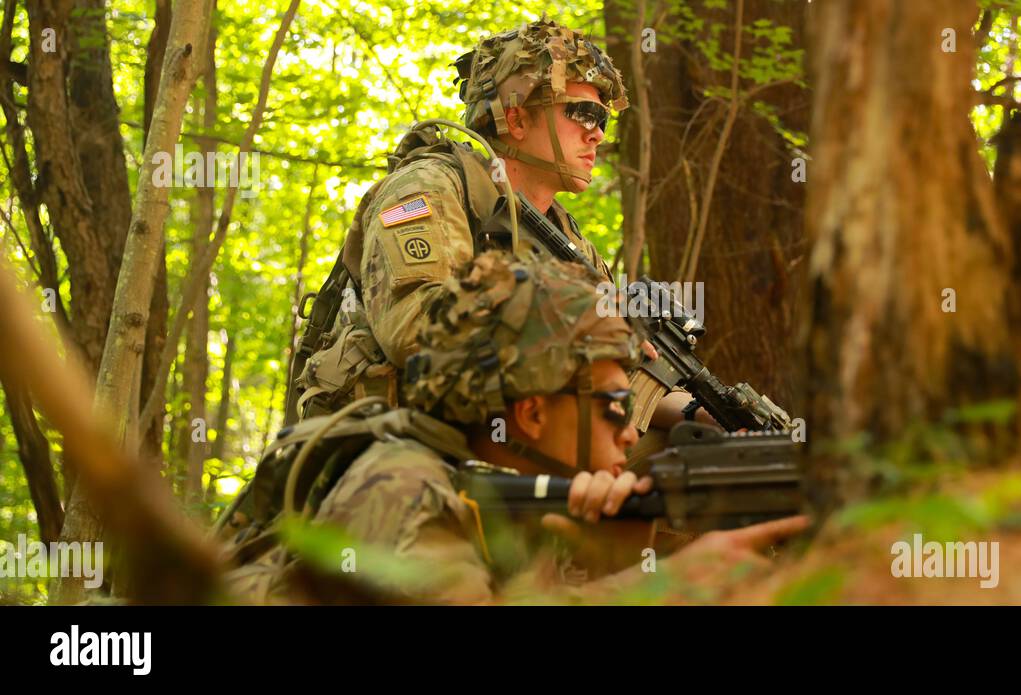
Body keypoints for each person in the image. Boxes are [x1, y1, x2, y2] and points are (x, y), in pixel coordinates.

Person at [224, 252, 807, 604]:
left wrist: (615, 560)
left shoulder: (505, 504)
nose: (631, 433)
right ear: (529, 413)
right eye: (612, 408)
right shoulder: (402, 486)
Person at [290, 18, 702, 432]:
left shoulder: (566, 241)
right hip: (397, 448)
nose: (596, 135)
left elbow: (617, 377)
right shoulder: (431, 189)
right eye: (583, 113)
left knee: (696, 448)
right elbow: (417, 335)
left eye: (602, 120)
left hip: (508, 439)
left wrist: (694, 413)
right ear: (516, 119)